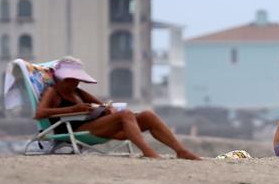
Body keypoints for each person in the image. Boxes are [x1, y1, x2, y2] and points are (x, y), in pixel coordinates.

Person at [35, 56, 201, 159]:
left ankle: (181, 151)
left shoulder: (77, 91)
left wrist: (106, 109)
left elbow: (102, 104)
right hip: (77, 129)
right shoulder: (53, 92)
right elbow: (40, 113)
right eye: (71, 79)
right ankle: (148, 152)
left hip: (98, 125)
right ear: (61, 78)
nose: (75, 82)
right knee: (125, 115)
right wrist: (72, 110)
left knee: (147, 115)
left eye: (77, 79)